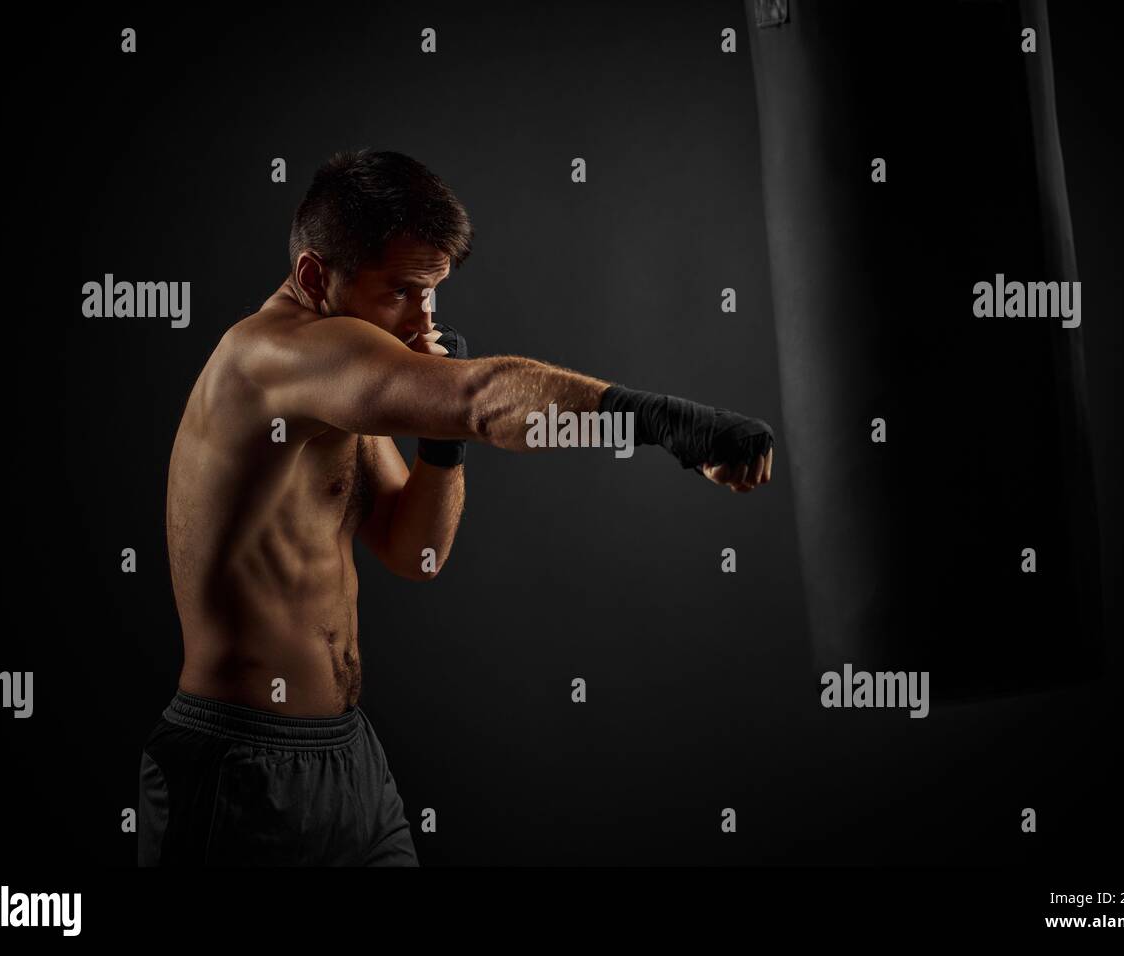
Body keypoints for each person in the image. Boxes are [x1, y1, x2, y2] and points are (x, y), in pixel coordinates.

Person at [137, 149, 775, 866]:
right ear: (316, 275)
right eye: (404, 290)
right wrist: (669, 422)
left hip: (348, 757)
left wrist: (437, 443)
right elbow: (480, 399)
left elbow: (417, 557)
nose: (424, 314)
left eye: (434, 291)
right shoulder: (267, 355)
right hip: (238, 770)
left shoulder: (340, 392)